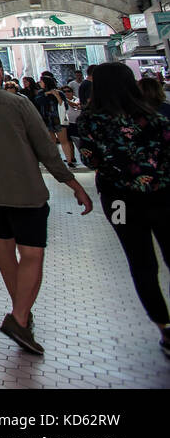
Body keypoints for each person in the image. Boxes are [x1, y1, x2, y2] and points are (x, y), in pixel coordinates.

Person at [0, 49, 92, 355]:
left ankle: (21, 312)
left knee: (3, 242)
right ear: (0, 72)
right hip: (24, 190)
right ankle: (19, 315)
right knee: (31, 253)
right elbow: (46, 148)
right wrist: (72, 183)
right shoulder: (18, 103)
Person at [73, 63, 170, 359]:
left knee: (140, 262)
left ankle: (165, 328)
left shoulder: (90, 120)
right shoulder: (156, 115)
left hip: (118, 200)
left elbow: (90, 160)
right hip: (163, 195)